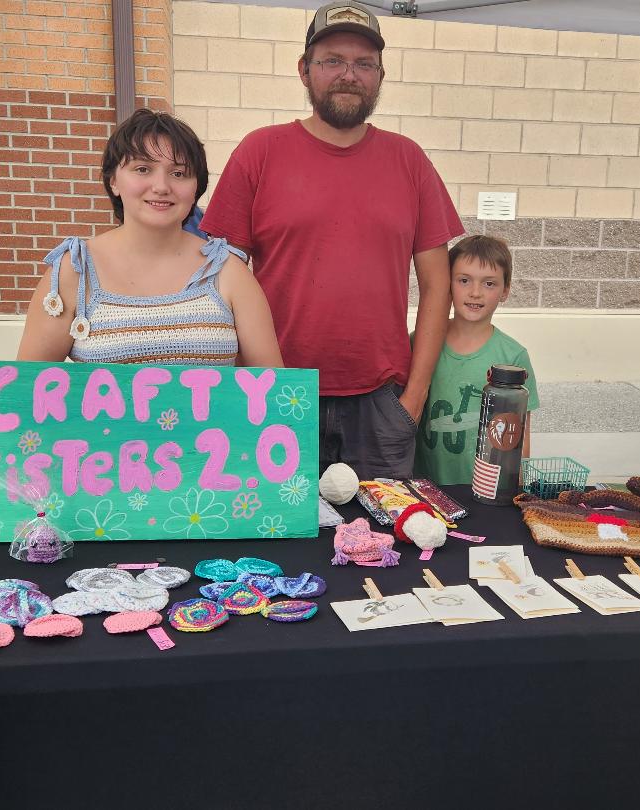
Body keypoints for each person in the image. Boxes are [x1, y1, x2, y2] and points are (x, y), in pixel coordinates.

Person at [198, 0, 463, 480]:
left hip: (382, 403)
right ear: (304, 70)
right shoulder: (260, 152)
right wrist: (245, 385)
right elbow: (217, 279)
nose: (349, 75)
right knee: (282, 524)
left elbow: (437, 285)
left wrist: (414, 398)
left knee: (385, 528)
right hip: (277, 392)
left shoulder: (409, 161)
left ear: (380, 76)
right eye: (333, 61)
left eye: (364, 64)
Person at [18, 109, 283, 368]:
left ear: (196, 187)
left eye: (178, 173)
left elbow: (271, 387)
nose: (161, 187)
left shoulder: (227, 270)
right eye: (143, 169)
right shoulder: (74, 271)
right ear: (114, 181)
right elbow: (27, 386)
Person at [414, 236, 539, 485]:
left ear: (505, 290)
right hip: (423, 488)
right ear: (447, 283)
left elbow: (520, 436)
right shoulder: (420, 343)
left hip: (483, 491)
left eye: (489, 283)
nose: (475, 292)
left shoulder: (513, 357)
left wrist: (516, 488)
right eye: (464, 280)